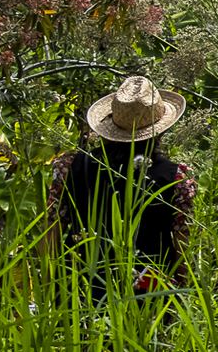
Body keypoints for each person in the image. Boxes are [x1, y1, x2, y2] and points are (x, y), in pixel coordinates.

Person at [45, 75, 195, 299]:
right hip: (149, 296)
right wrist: (184, 291)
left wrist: (48, 287)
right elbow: (182, 243)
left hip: (78, 295)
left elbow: (51, 231)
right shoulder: (176, 178)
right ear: (160, 130)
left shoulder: (70, 167)